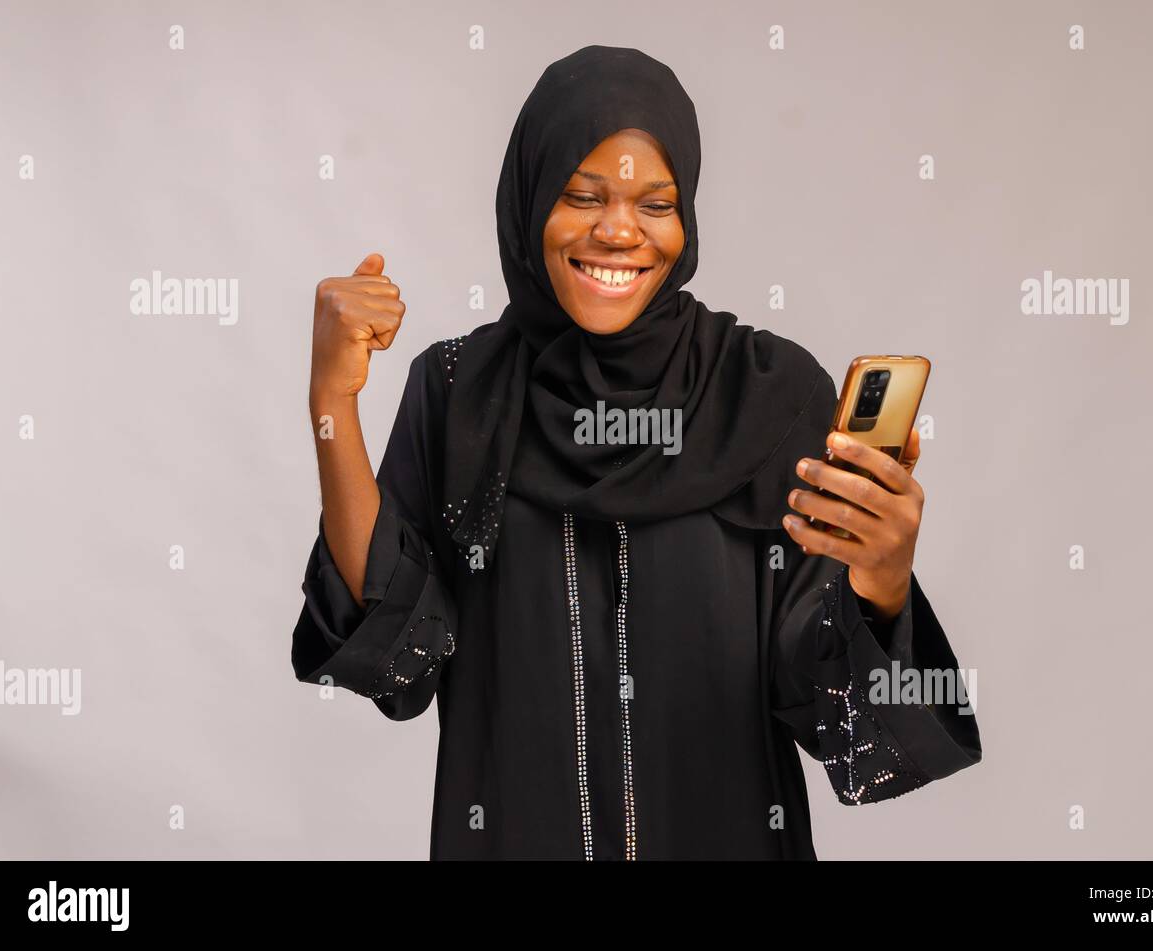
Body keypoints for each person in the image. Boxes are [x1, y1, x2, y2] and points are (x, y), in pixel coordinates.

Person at [291, 44, 981, 860]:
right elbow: (396, 660)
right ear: (530, 199)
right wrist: (332, 405)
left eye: (655, 204)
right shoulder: (458, 392)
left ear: (685, 218)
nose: (619, 230)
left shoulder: (766, 393)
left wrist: (882, 581)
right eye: (583, 195)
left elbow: (835, 721)